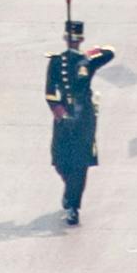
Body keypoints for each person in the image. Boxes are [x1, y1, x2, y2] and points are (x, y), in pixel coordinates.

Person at [47, 20, 115, 217]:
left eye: (77, 40)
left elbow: (110, 52)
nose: (73, 42)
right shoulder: (56, 61)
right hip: (64, 117)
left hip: (84, 116)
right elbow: (50, 94)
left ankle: (72, 204)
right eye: (70, 39)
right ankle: (70, 188)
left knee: (80, 162)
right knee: (60, 160)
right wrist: (60, 113)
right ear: (65, 39)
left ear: (81, 40)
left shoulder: (87, 61)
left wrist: (89, 53)